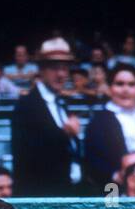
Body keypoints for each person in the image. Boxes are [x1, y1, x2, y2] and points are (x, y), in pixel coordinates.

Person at [10, 38, 84, 196]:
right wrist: (65, 134)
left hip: (65, 192)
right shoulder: (25, 105)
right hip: (40, 195)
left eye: (65, 68)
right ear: (41, 70)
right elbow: (26, 155)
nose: (61, 74)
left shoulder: (62, 103)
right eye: (54, 68)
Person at [102, 62, 135, 157]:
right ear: (109, 89)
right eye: (119, 84)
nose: (126, 89)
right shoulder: (101, 123)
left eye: (131, 84)